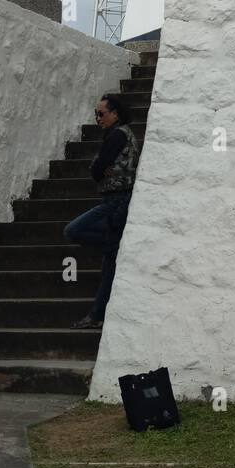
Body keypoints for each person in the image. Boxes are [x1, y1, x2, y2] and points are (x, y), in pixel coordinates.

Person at [64, 93, 139, 330]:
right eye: (96, 114)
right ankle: (96, 315)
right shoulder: (119, 134)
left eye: (101, 113)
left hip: (115, 202)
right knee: (108, 268)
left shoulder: (118, 135)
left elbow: (97, 169)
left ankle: (111, 245)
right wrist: (99, 168)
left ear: (115, 114)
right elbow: (98, 167)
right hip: (116, 201)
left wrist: (99, 169)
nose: (97, 118)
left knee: (73, 230)